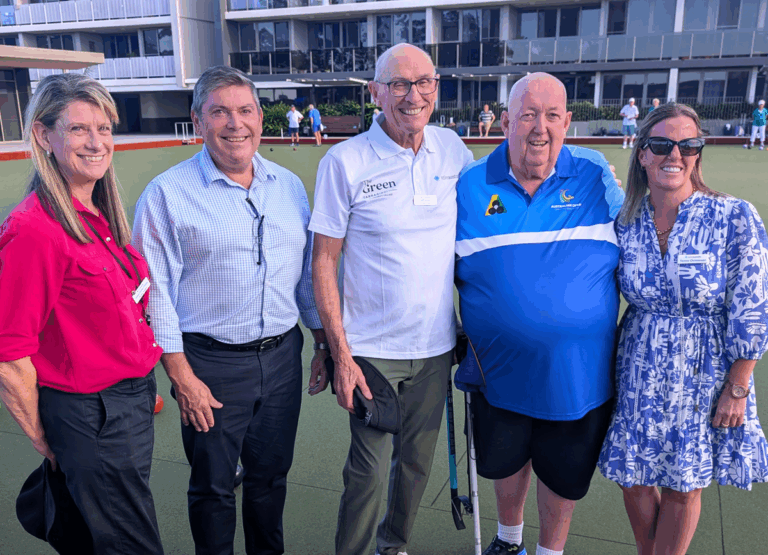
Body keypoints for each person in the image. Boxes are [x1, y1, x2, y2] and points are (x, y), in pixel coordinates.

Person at [132, 65, 327, 555]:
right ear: (198, 121)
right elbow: (155, 295)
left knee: (269, 480)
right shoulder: (166, 195)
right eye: (219, 112)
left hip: (283, 358)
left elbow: (302, 275)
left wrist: (322, 340)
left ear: (261, 118)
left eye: (244, 111)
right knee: (214, 488)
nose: (234, 123)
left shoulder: (288, 186)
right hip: (209, 365)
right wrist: (181, 377)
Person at [310, 43, 474, 555]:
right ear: (377, 92)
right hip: (370, 350)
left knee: (416, 464)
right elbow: (324, 262)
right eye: (398, 85)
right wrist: (339, 354)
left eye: (422, 82)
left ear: (436, 87)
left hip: (434, 346)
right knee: (368, 472)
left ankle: (394, 545)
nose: (412, 95)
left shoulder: (453, 150)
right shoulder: (345, 161)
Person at [454, 72, 625, 555]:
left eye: (552, 116)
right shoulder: (469, 184)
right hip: (496, 373)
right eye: (528, 114)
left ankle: (551, 552)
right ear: (506, 120)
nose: (539, 128)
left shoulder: (595, 175)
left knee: (564, 474)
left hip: (578, 376)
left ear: (568, 122)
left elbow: (640, 229)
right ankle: (509, 540)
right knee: (505, 465)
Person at [0, 73, 164, 554]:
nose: (96, 143)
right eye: (78, 129)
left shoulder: (96, 214)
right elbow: (11, 356)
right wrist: (46, 440)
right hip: (92, 415)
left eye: (105, 128)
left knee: (103, 539)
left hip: (127, 408)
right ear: (43, 136)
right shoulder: (35, 230)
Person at [598, 102, 768, 555]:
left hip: (704, 371)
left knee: (682, 480)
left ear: (698, 152)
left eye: (689, 144)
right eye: (662, 144)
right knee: (632, 475)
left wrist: (739, 384)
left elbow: (753, 304)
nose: (676, 154)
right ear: (642, 153)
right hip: (637, 363)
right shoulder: (626, 222)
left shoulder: (734, 216)